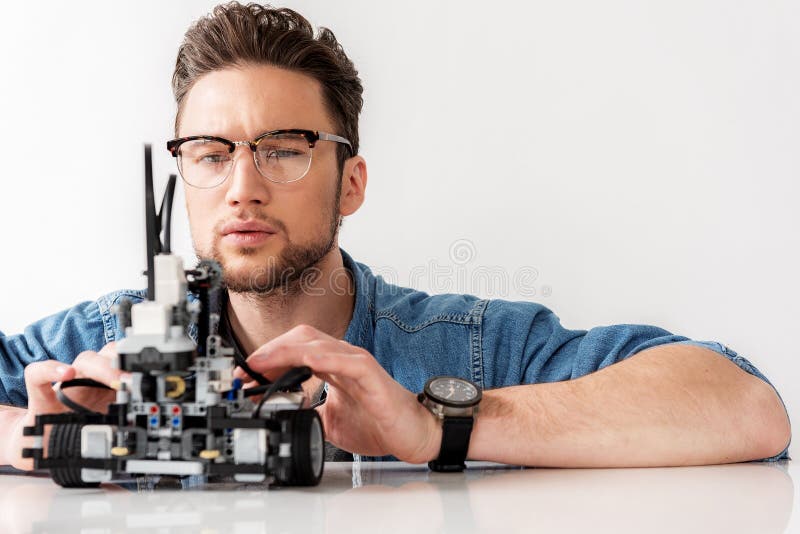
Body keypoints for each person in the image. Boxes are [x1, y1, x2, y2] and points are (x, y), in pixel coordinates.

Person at [0, 2, 791, 471]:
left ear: (352, 181)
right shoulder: (105, 344)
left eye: (282, 149)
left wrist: (439, 426)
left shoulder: (465, 351)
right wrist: (43, 439)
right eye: (210, 155)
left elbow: (747, 405)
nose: (242, 185)